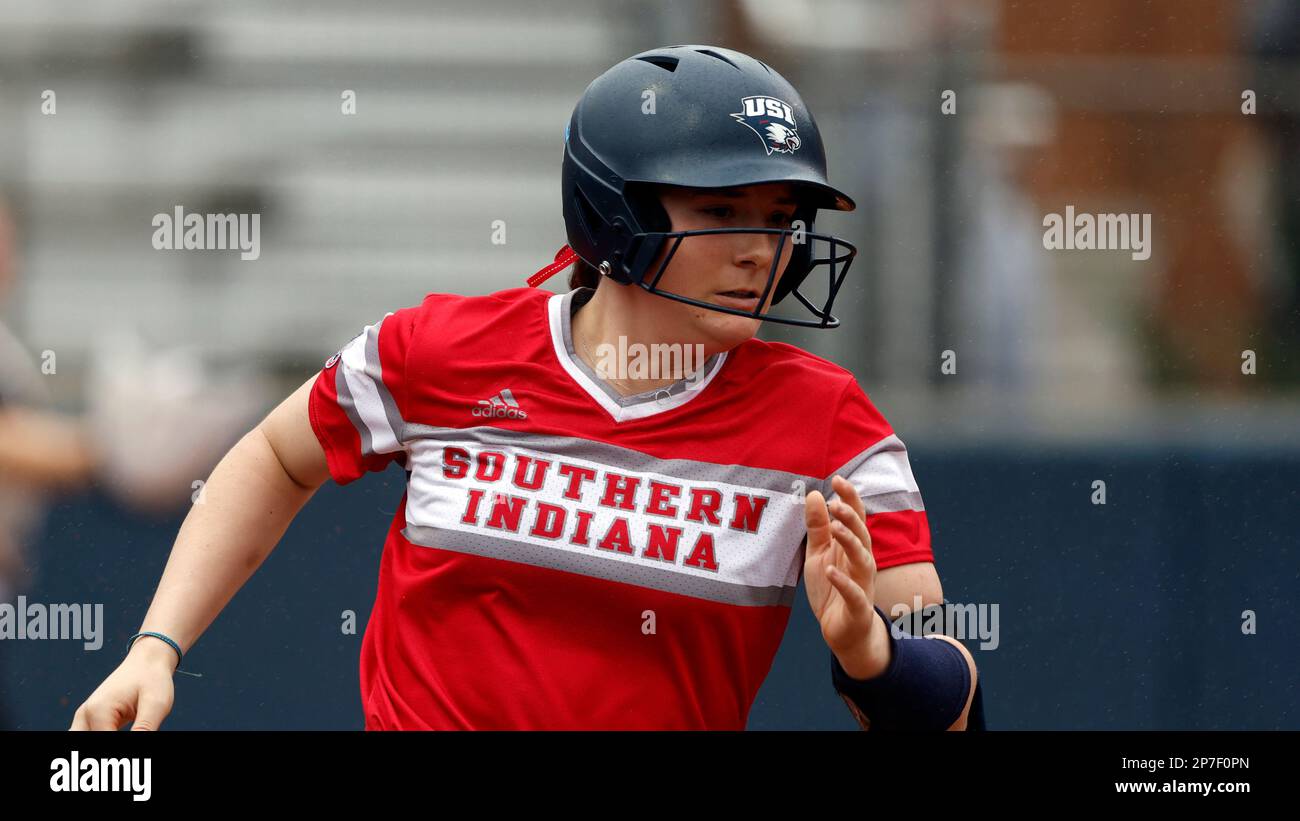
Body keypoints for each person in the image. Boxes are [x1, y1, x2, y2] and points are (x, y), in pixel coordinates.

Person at [70, 45, 979, 731]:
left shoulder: (829, 423)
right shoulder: (441, 351)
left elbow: (954, 699)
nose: (761, 248)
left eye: (781, 218)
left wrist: (872, 654)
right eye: (721, 209)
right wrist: (157, 645)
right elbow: (276, 455)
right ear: (614, 210)